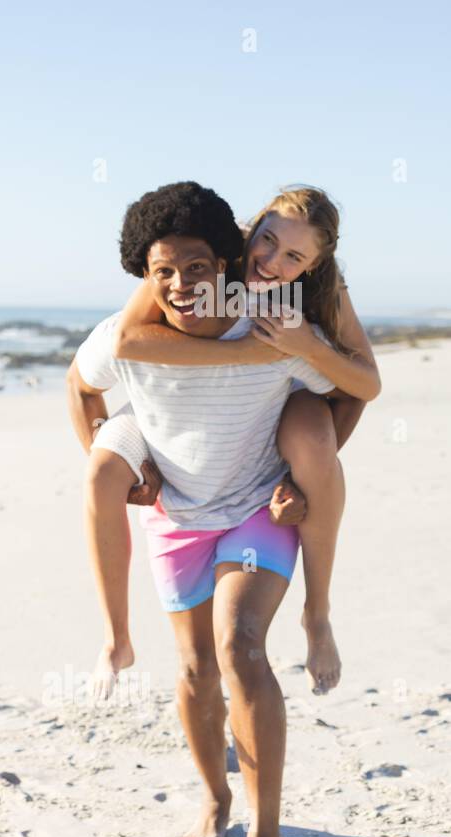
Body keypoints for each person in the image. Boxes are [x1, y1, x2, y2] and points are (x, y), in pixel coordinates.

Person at [67, 181, 344, 837]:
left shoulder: (272, 326)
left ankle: (266, 833)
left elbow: (342, 392)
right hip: (177, 519)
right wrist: (128, 467)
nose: (182, 284)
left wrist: (306, 471)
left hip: (255, 509)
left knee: (240, 647)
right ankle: (215, 795)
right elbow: (79, 385)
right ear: (146, 274)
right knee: (194, 670)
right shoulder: (125, 337)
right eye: (163, 271)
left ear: (224, 263)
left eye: (197, 267)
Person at [93, 187, 379, 698]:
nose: (270, 261)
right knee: (101, 472)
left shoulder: (325, 291)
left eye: (294, 257)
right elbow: (127, 341)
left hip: (277, 403)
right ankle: (116, 639)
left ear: (313, 265)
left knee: (313, 432)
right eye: (267, 240)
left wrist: (307, 349)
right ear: (254, 226)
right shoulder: (213, 251)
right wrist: (247, 354)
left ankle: (317, 616)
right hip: (185, 406)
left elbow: (364, 385)